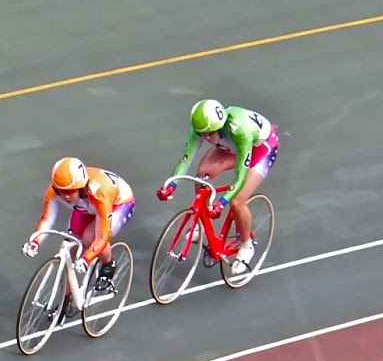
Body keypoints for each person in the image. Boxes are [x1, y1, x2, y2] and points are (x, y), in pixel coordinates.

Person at [158, 98, 278, 277]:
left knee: (237, 201)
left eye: (209, 134)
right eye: (202, 134)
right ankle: (201, 220)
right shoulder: (201, 129)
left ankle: (246, 246)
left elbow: (240, 176)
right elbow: (186, 158)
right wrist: (172, 185)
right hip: (230, 146)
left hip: (259, 150)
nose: (205, 138)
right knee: (202, 176)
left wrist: (221, 202)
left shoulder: (240, 131)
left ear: (219, 126)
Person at [24, 158, 135, 298]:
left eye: (70, 191)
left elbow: (102, 236)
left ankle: (108, 266)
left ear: (81, 187)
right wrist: (35, 242)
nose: (65, 197)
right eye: (60, 191)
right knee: (71, 248)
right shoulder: (53, 191)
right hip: (86, 206)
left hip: (117, 205)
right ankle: (66, 300)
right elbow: (46, 220)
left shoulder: (99, 195)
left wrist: (87, 259)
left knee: (90, 237)